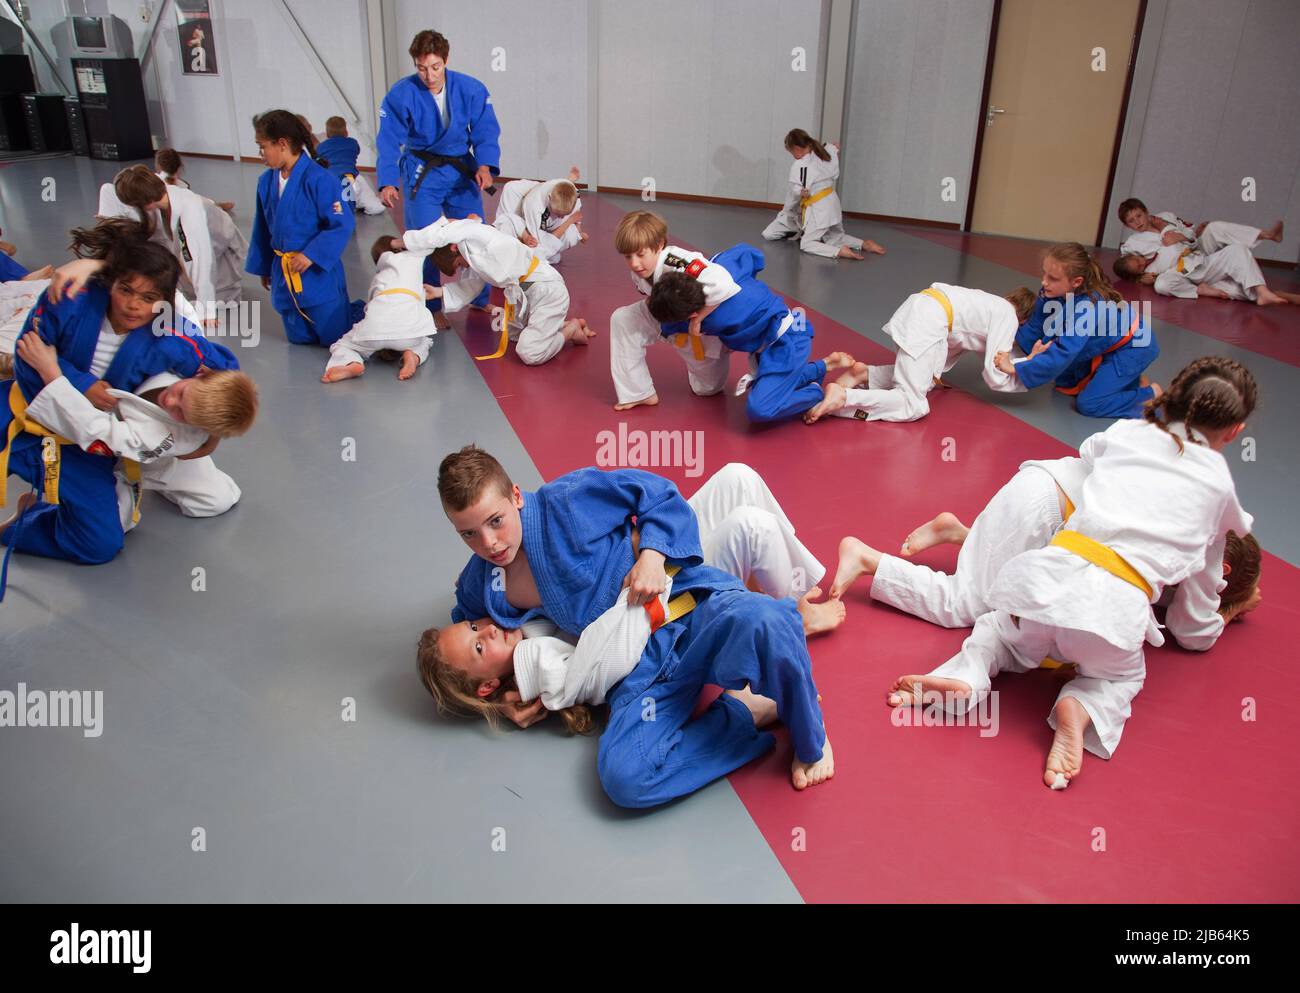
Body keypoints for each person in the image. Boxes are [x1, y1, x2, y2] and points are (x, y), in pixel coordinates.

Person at [376, 29, 501, 319]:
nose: (429, 75)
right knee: (425, 241)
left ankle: (478, 297)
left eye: (435, 67)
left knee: (475, 235)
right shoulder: (400, 94)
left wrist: (485, 165)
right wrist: (387, 181)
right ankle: (431, 306)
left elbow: (485, 130)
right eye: (421, 68)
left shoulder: (470, 89)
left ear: (446, 60)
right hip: (422, 172)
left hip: (460, 170)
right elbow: (388, 140)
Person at [245, 110, 356, 347]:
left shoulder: (320, 178)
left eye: (262, 147)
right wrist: (265, 266)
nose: (260, 154)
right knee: (299, 339)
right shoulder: (266, 181)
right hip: (285, 271)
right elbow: (262, 228)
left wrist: (311, 254)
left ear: (282, 144)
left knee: (335, 339)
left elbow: (341, 224)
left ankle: (362, 313)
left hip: (316, 272)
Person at [762, 129, 885, 259]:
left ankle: (839, 251)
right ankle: (864, 244)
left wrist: (796, 197)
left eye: (791, 152)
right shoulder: (825, 153)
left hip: (819, 208)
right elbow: (833, 156)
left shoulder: (800, 165)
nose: (793, 155)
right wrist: (834, 148)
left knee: (807, 243)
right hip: (833, 203)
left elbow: (794, 194)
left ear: (797, 149)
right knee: (835, 236)